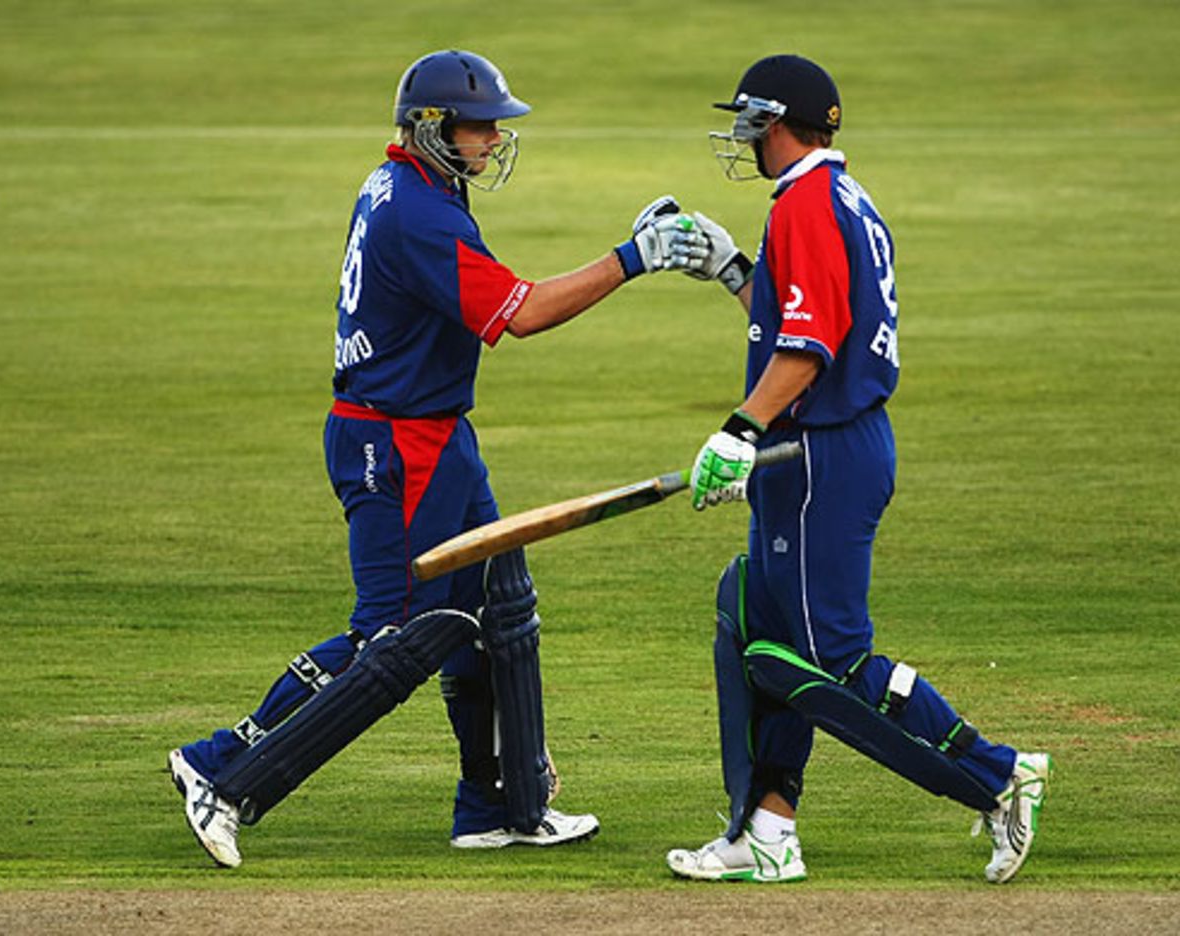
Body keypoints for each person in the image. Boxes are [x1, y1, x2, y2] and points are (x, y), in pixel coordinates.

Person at [167, 48, 707, 868]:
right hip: (397, 443)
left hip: (434, 432)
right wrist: (633, 258)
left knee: (493, 611)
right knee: (389, 638)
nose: (493, 139)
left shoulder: (409, 183)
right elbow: (518, 314)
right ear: (430, 128)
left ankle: (497, 808)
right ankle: (222, 769)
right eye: (479, 125)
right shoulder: (417, 213)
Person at [662, 54, 1052, 884]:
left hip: (817, 456)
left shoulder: (807, 202)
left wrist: (739, 429)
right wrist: (736, 273)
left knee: (823, 661)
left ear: (777, 122)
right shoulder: (838, 195)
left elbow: (809, 346)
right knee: (746, 611)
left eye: (749, 121)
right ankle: (765, 830)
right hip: (818, 449)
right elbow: (798, 316)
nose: (740, 137)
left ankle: (999, 775)